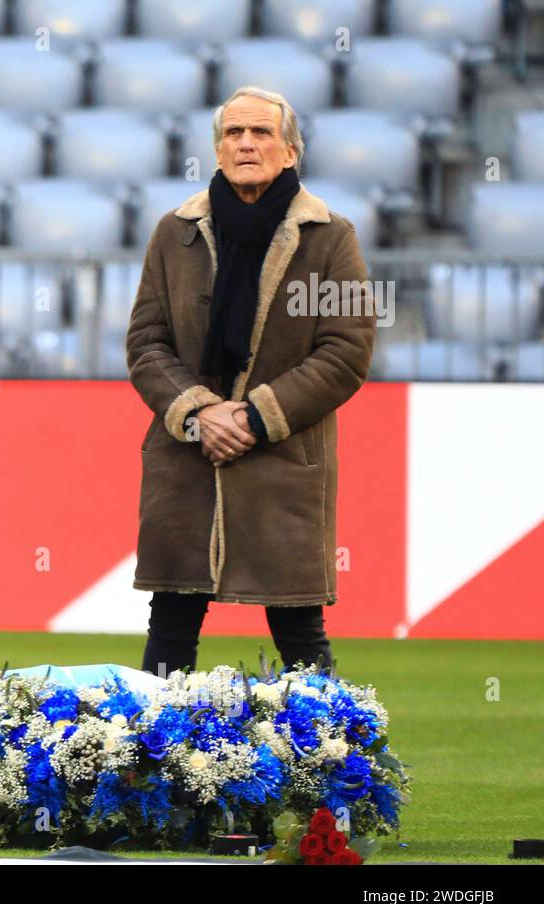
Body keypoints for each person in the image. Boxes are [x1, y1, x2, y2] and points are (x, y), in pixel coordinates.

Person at [126, 86, 376, 678]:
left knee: (299, 628)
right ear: (216, 150)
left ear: (291, 151)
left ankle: (332, 764)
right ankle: (153, 766)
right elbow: (146, 344)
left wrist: (252, 417)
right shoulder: (174, 232)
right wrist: (200, 413)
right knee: (171, 621)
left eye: (261, 132)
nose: (245, 143)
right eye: (233, 133)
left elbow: (345, 352)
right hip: (187, 453)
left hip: (285, 458)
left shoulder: (330, 236)